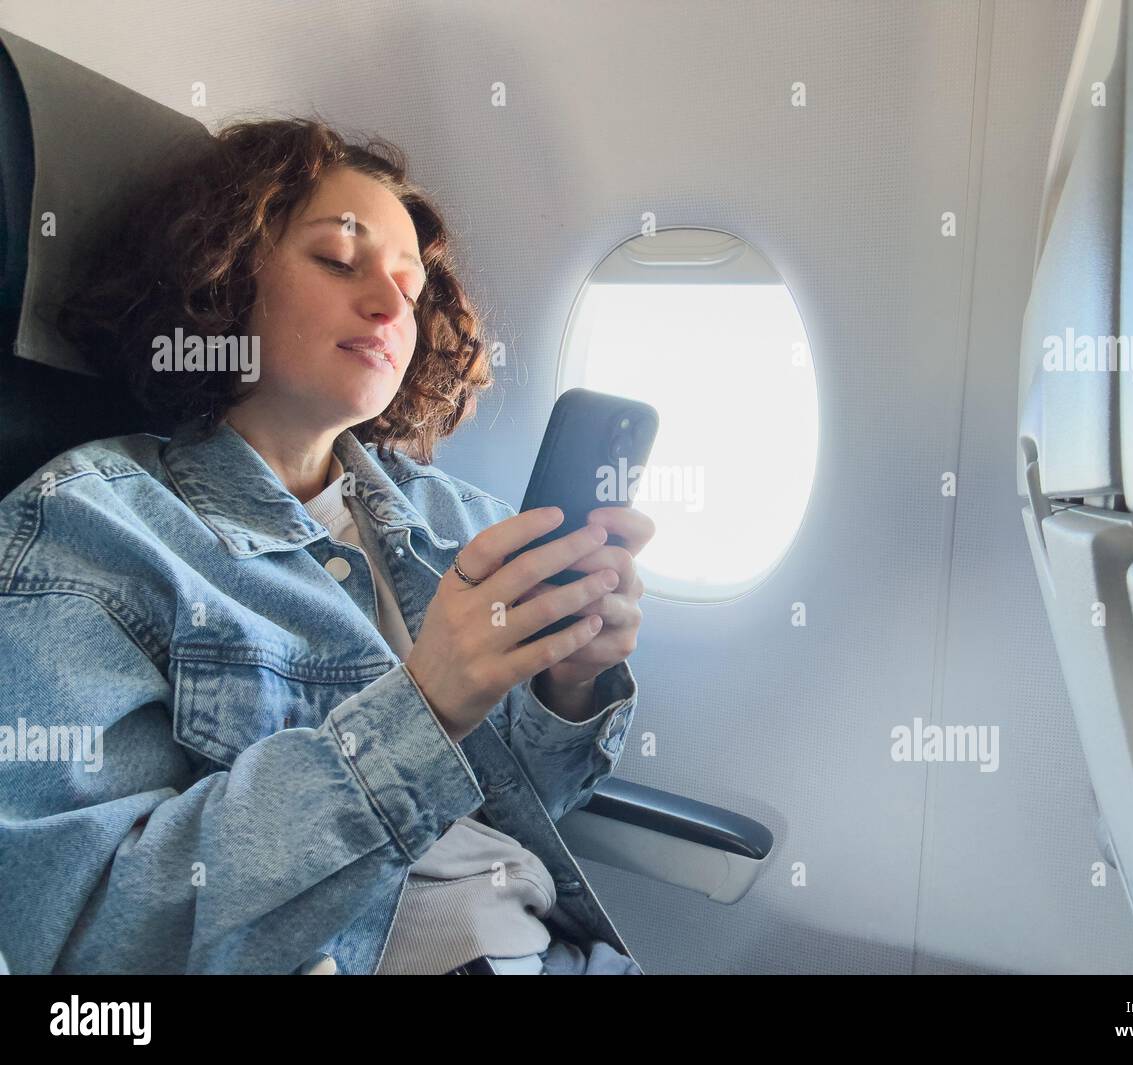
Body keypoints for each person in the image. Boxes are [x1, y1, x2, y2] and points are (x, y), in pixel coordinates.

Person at [0, 117, 652, 975]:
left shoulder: (452, 518)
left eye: (410, 287)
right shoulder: (89, 531)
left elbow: (523, 804)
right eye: (339, 262)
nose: (388, 302)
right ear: (225, 275)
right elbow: (95, 934)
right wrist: (423, 705)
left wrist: (568, 685)